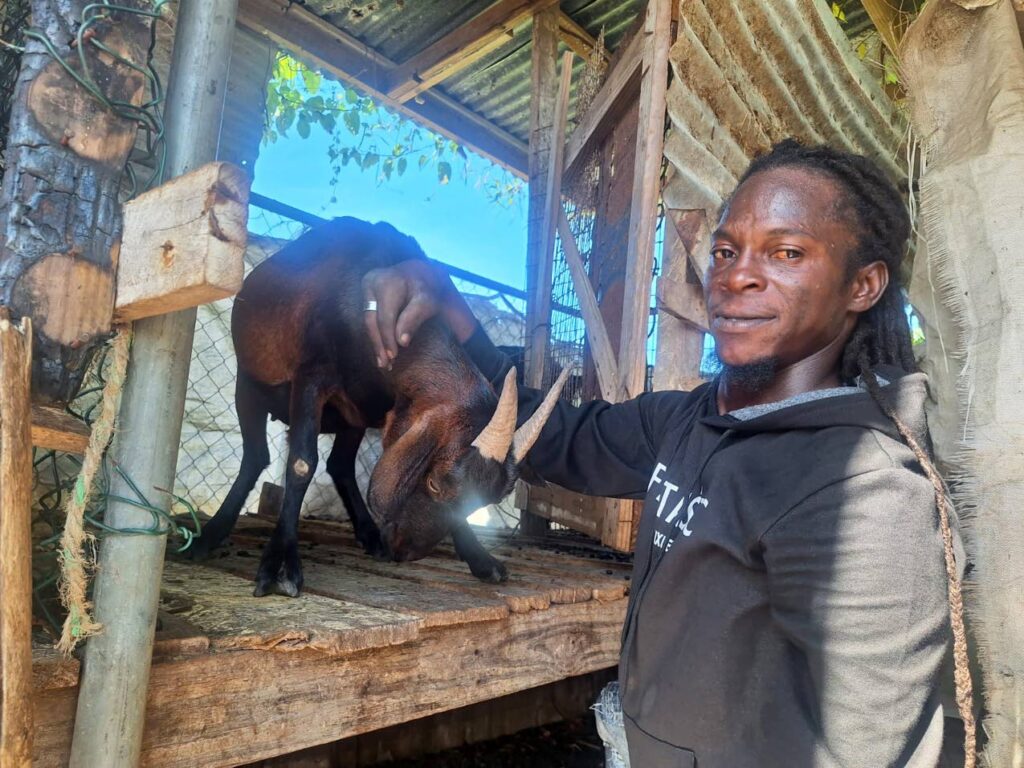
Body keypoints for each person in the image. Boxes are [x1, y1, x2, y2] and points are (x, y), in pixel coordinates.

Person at [361, 140, 971, 767]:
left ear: (863, 286)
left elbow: (860, 752)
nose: (737, 275)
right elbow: (552, 440)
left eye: (787, 252)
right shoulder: (685, 420)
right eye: (727, 251)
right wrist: (447, 305)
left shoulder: (866, 495)